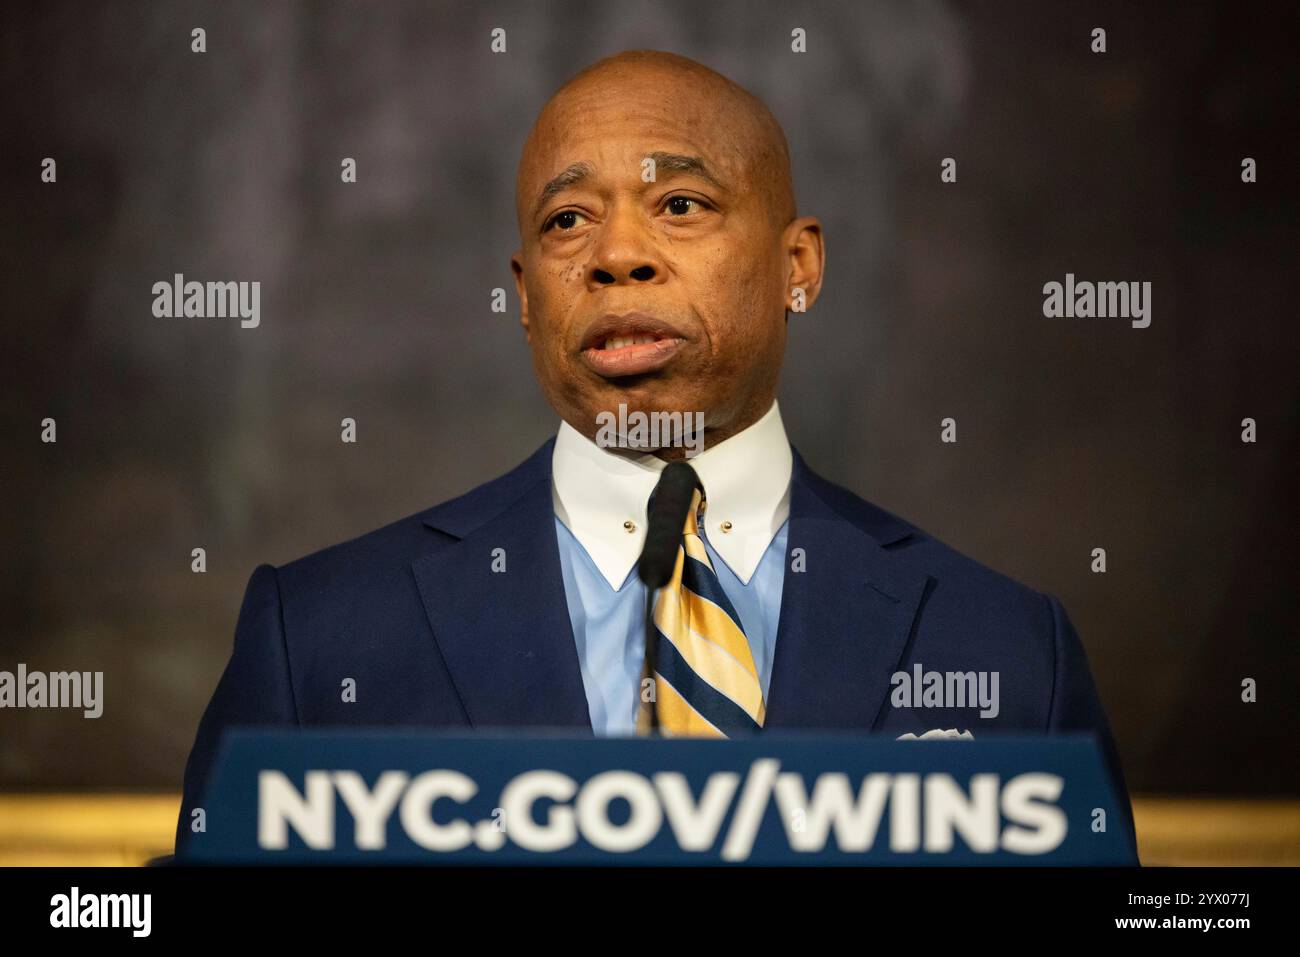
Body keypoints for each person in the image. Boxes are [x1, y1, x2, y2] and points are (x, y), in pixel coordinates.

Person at [175, 50, 1137, 860]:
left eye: (680, 203)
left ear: (797, 266)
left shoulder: (1011, 650)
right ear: (523, 293)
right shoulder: (319, 641)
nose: (617, 254)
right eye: (567, 220)